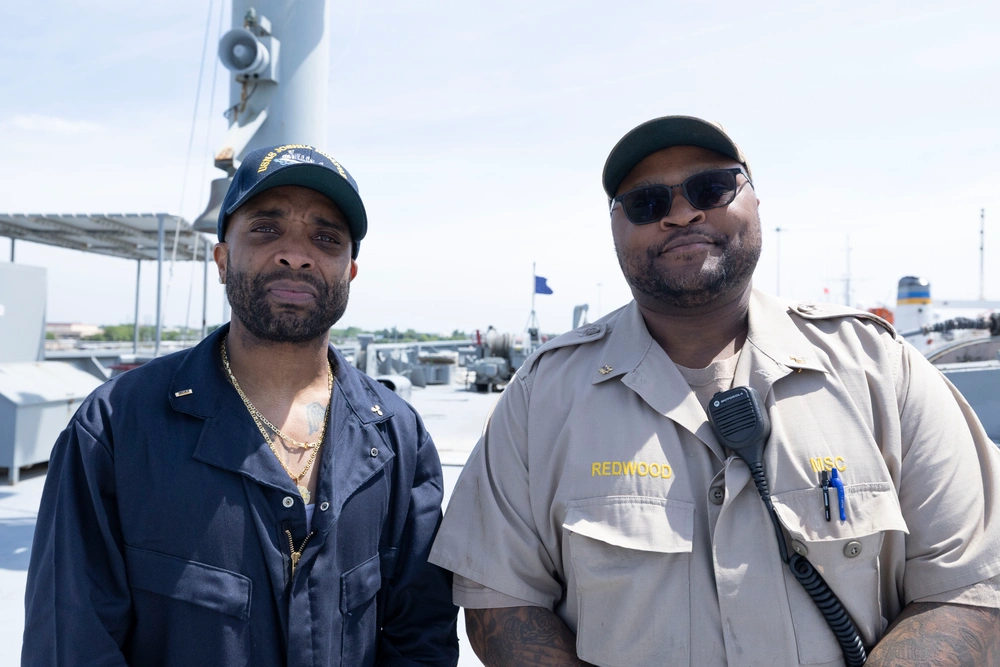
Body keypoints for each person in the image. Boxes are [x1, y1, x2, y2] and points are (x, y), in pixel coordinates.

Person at [429, 116, 1000, 666]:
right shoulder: (541, 396)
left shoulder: (882, 369)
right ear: (614, 227)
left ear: (755, 200)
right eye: (648, 203)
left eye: (710, 187)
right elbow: (499, 603)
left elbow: (972, 586)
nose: (681, 214)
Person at [23, 144, 459, 666]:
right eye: (265, 229)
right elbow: (71, 643)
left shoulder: (396, 437)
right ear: (223, 258)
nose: (296, 254)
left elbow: (421, 635)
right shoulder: (116, 429)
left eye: (326, 238)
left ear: (350, 273)